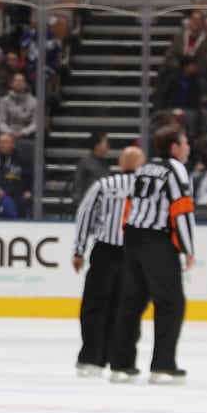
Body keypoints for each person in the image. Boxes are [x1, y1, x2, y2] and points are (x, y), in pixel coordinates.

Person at [111, 125, 195, 384]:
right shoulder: (176, 169)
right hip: (156, 240)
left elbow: (128, 205)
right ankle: (163, 365)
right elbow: (181, 209)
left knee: (132, 303)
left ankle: (121, 364)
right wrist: (187, 247)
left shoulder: (145, 168)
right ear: (174, 147)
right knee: (171, 303)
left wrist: (128, 235)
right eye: (184, 142)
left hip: (134, 237)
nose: (188, 147)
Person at [71, 146, 145, 377]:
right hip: (133, 253)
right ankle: (118, 359)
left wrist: (79, 249)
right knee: (125, 308)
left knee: (95, 306)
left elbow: (85, 215)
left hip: (105, 250)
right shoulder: (151, 189)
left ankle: (91, 358)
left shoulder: (104, 185)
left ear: (121, 163)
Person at [72, 131, 111, 207]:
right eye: (105, 142)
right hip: (87, 205)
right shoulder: (84, 163)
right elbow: (77, 187)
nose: (108, 145)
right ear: (97, 145)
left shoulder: (106, 164)